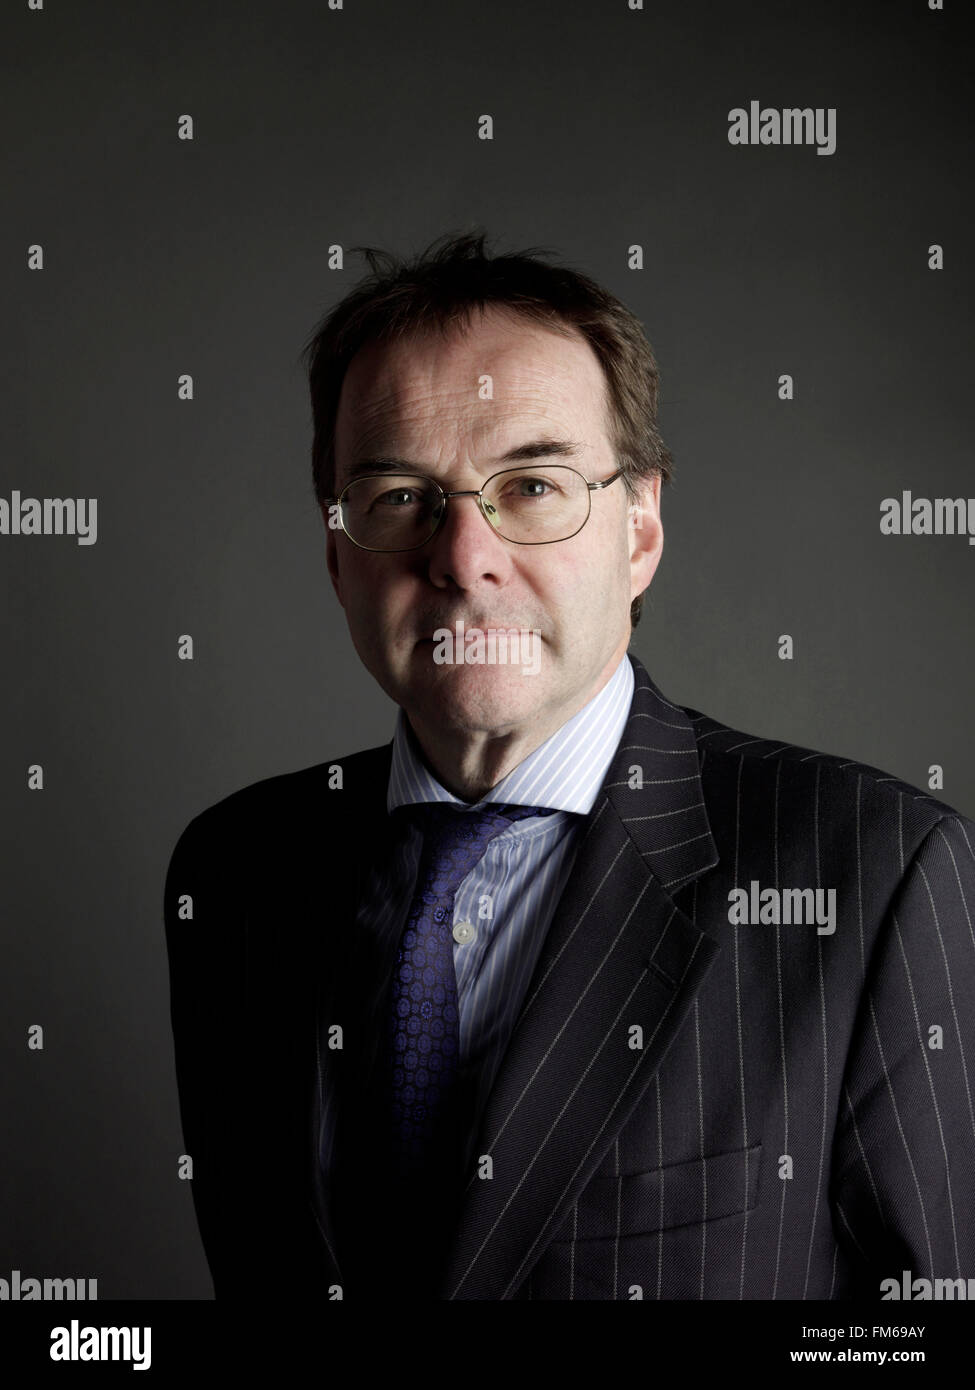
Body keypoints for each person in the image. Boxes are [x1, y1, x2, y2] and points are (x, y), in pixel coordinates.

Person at [164, 231, 975, 1301]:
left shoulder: (877, 872)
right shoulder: (234, 874)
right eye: (401, 496)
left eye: (534, 485)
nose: (461, 558)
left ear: (639, 529)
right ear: (335, 552)